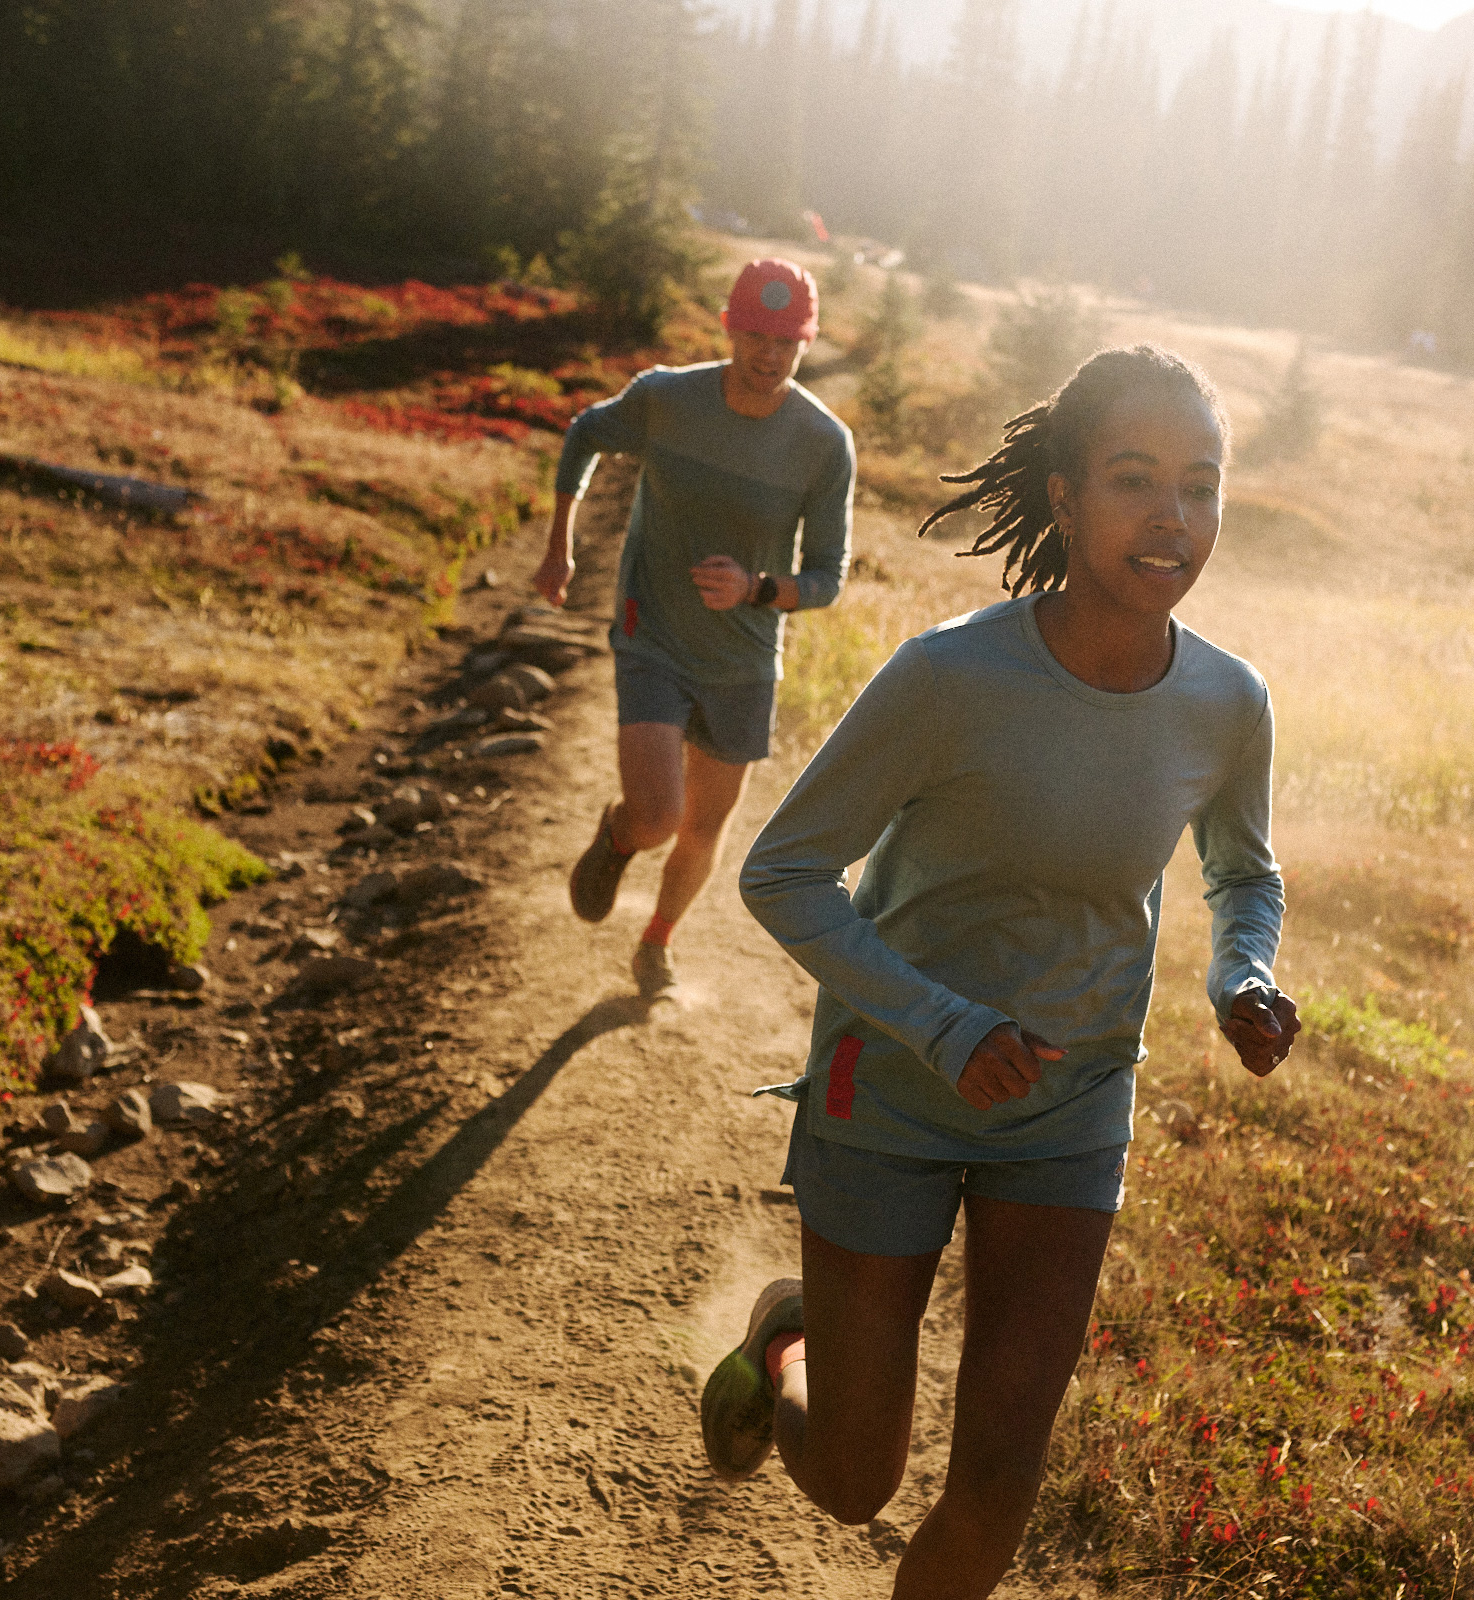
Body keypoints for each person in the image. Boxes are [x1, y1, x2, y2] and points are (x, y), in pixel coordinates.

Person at [711, 345, 1302, 1599]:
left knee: (995, 1492)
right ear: (1064, 497)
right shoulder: (950, 677)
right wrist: (939, 1022)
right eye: (1134, 480)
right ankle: (784, 1347)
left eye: (1199, 486)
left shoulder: (1227, 701)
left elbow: (1243, 874)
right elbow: (784, 872)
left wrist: (1242, 976)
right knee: (857, 1475)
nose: (1172, 518)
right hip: (893, 1090)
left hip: (1073, 1108)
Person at [536, 257, 855, 998]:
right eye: (756, 337)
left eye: (787, 343)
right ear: (730, 329)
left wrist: (758, 589)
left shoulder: (823, 442)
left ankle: (657, 942)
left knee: (703, 833)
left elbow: (829, 577)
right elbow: (585, 433)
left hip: (745, 660)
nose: (770, 355)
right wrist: (561, 541)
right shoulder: (666, 399)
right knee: (658, 815)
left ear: (805, 344)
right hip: (653, 636)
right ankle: (618, 836)